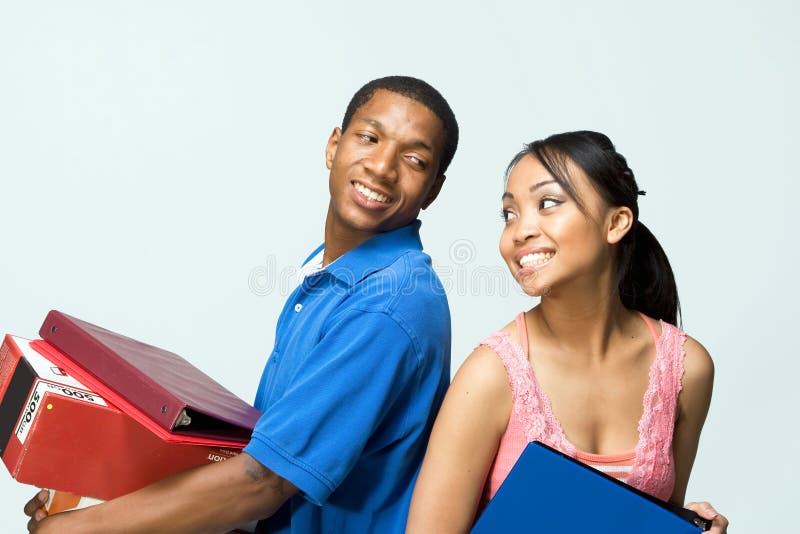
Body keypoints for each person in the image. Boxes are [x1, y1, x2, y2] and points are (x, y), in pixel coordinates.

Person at [24, 75, 459, 533]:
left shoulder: (388, 304)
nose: (382, 167)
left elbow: (262, 482)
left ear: (433, 189)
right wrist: (101, 499)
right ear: (333, 146)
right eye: (369, 138)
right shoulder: (332, 272)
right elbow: (263, 456)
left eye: (413, 159)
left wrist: (79, 529)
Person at [405, 131, 729, 533]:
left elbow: (650, 521)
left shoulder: (687, 370)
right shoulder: (491, 376)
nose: (519, 231)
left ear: (616, 223)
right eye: (510, 214)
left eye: (547, 203)